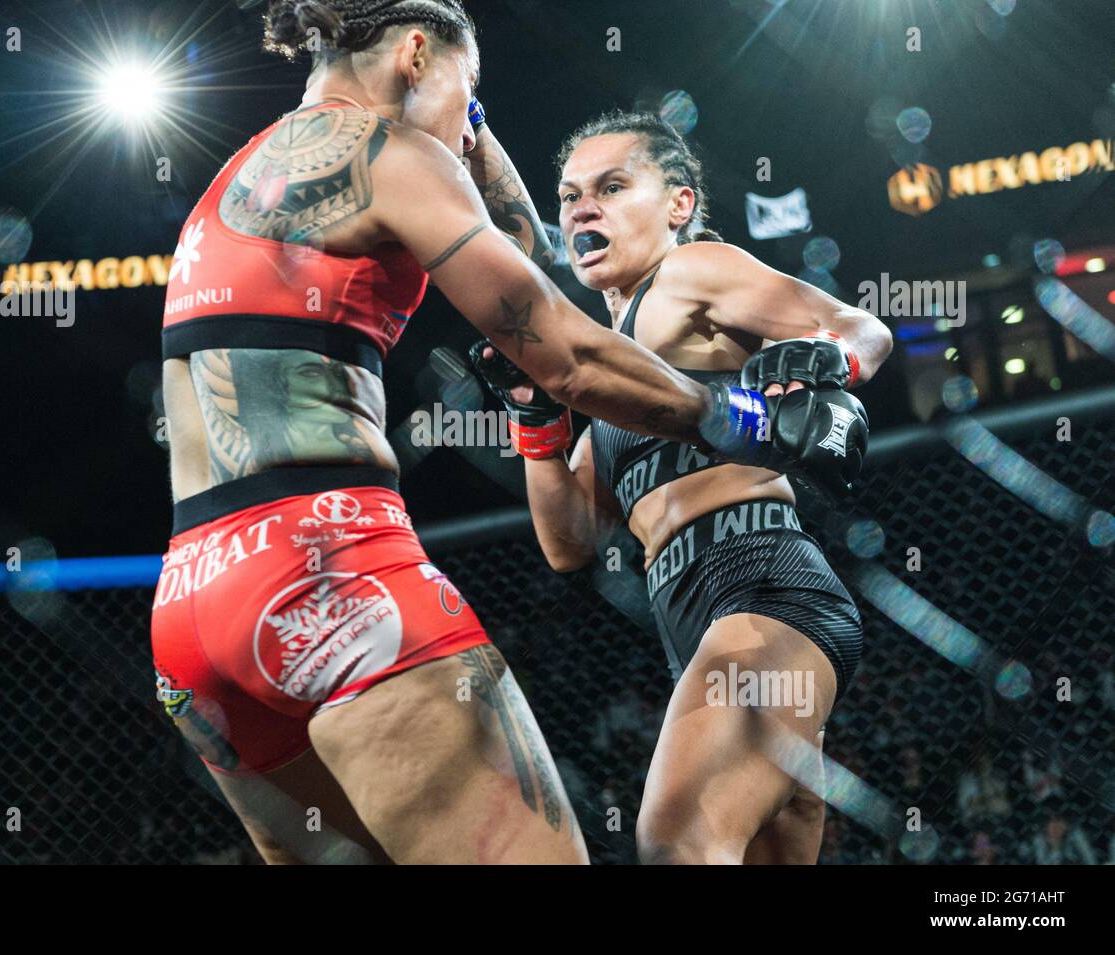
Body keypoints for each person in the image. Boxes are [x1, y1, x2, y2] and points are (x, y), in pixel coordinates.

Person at [150, 2, 855, 864]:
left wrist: (464, 115)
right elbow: (567, 354)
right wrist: (734, 418)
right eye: (469, 93)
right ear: (416, 54)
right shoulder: (390, 153)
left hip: (192, 614)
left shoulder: (225, 187)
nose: (468, 126)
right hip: (330, 574)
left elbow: (533, 256)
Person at [473, 109, 889, 863]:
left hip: (765, 590)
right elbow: (569, 544)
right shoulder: (612, 374)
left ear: (679, 205)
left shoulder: (692, 271)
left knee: (676, 843)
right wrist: (534, 417)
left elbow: (859, 326)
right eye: (568, 196)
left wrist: (829, 368)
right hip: (690, 625)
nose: (582, 208)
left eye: (611, 186)